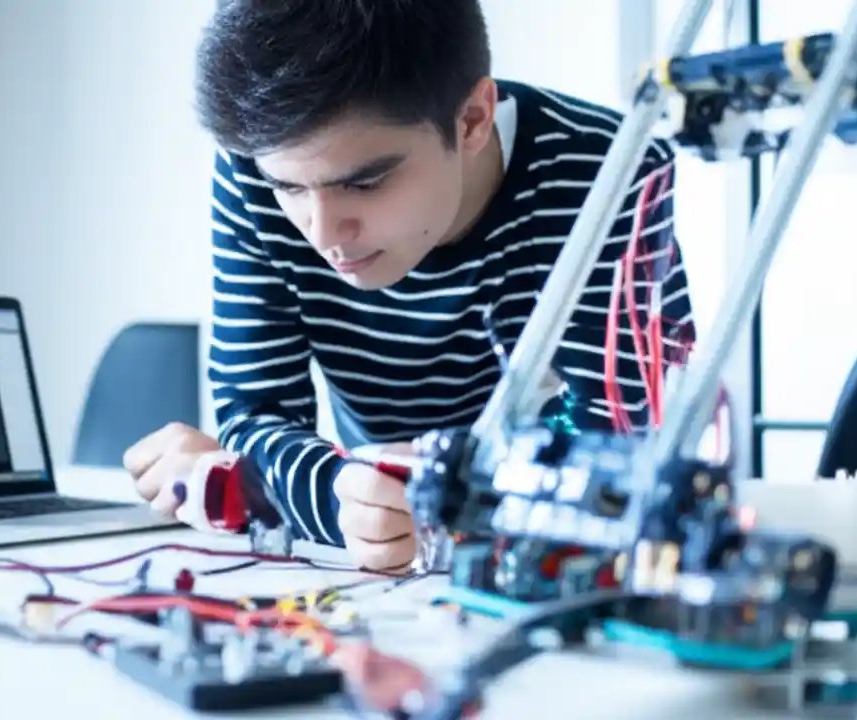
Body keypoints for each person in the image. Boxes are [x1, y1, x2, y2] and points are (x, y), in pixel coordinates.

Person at [124, 0, 695, 571]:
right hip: (382, 564)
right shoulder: (258, 165)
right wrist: (336, 497)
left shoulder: (612, 173)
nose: (323, 235)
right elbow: (254, 412)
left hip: (529, 564)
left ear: (473, 118)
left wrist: (435, 497)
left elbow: (622, 442)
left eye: (366, 182)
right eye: (290, 188)